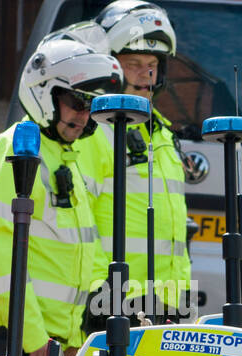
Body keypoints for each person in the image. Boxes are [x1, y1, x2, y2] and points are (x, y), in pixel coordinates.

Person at [0, 30, 121, 356]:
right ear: (44, 94)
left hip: (41, 340)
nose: (83, 116)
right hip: (5, 335)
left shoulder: (66, 158)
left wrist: (76, 335)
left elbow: (86, 251)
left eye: (90, 105)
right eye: (76, 102)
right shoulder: (17, 150)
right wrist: (32, 336)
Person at [81, 1, 192, 327]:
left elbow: (174, 235)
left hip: (167, 307)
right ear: (109, 67)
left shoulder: (161, 133)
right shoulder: (93, 132)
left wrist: (180, 305)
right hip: (114, 304)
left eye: (152, 65)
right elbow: (79, 228)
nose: (146, 75)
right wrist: (104, 298)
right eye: (132, 64)